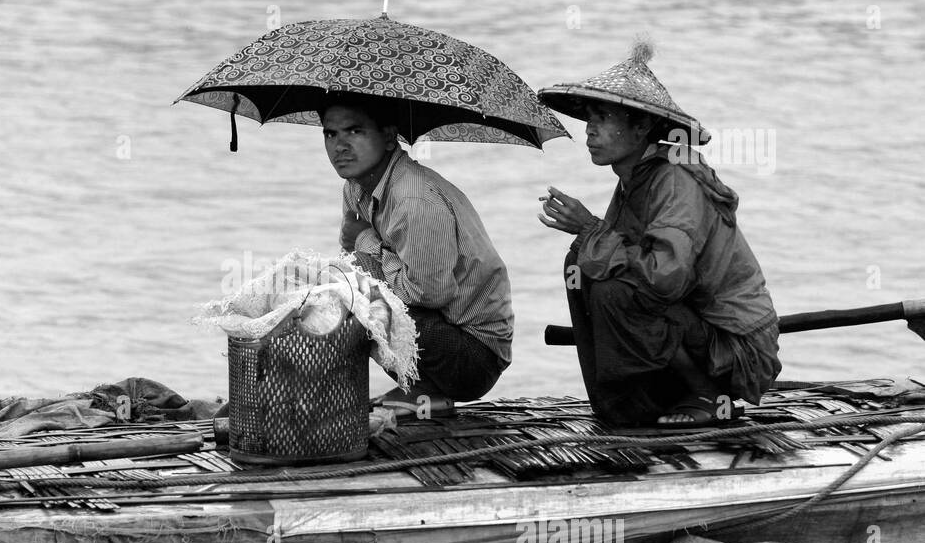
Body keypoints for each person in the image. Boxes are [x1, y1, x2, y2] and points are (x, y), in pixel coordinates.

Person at [536, 42, 781, 427]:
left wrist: (589, 228)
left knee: (611, 284)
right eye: (589, 120)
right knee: (581, 266)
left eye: (603, 118)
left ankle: (707, 394)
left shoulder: (675, 178)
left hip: (734, 344)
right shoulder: (634, 181)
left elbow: (666, 278)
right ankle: (633, 398)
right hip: (692, 326)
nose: (591, 131)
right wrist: (589, 236)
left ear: (641, 127)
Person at [322, 92, 512, 412]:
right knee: (331, 287)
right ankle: (420, 390)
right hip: (434, 330)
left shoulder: (414, 201)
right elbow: (353, 259)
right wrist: (359, 251)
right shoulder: (356, 187)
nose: (340, 146)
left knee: (356, 294)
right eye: (330, 133)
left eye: (354, 131)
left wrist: (366, 241)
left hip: (472, 356)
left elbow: (428, 294)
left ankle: (336, 399)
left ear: (387, 136)